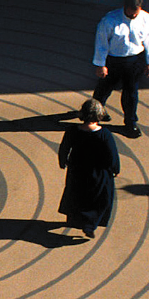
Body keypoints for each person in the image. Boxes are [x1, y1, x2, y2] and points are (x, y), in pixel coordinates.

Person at [91, 0, 149, 139]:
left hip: (134, 61)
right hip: (113, 60)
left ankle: (130, 122)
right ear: (125, 8)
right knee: (103, 90)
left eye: (136, 12)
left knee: (131, 93)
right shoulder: (109, 20)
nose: (133, 15)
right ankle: (93, 115)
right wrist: (101, 64)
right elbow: (101, 43)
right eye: (131, 12)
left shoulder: (146, 19)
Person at [57, 99, 120, 239]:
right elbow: (112, 155)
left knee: (76, 195)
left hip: (77, 170)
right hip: (99, 173)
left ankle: (74, 219)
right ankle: (89, 225)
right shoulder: (105, 134)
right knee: (99, 199)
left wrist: (63, 161)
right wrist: (115, 169)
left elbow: (64, 148)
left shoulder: (73, 131)